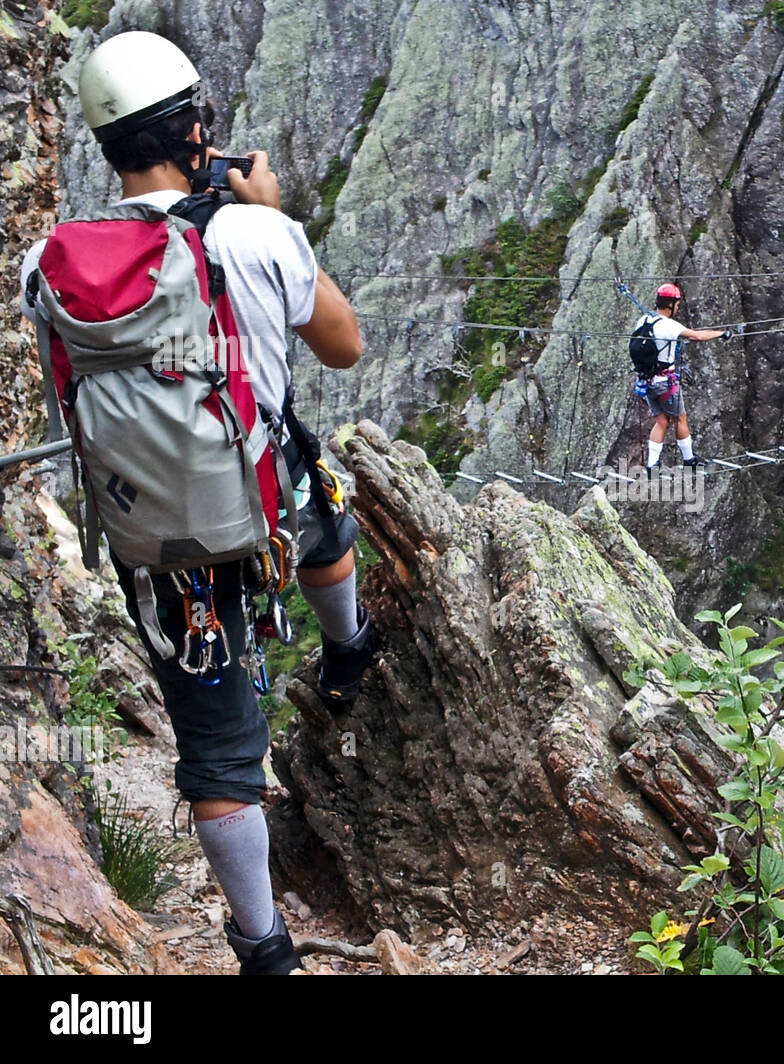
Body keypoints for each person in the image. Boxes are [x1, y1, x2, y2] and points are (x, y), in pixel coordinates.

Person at [19, 31, 372, 974]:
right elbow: (344, 347)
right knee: (319, 499)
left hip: (155, 537)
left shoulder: (48, 267)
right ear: (197, 130)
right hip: (262, 505)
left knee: (215, 748)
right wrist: (269, 213)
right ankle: (347, 649)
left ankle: (262, 946)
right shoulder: (254, 234)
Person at [636, 283, 730, 470]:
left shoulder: (643, 321)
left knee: (661, 421)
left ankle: (652, 464)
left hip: (646, 382)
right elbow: (696, 336)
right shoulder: (668, 326)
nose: (678, 308)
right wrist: (722, 334)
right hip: (665, 382)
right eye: (677, 304)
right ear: (670, 304)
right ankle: (689, 460)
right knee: (680, 418)